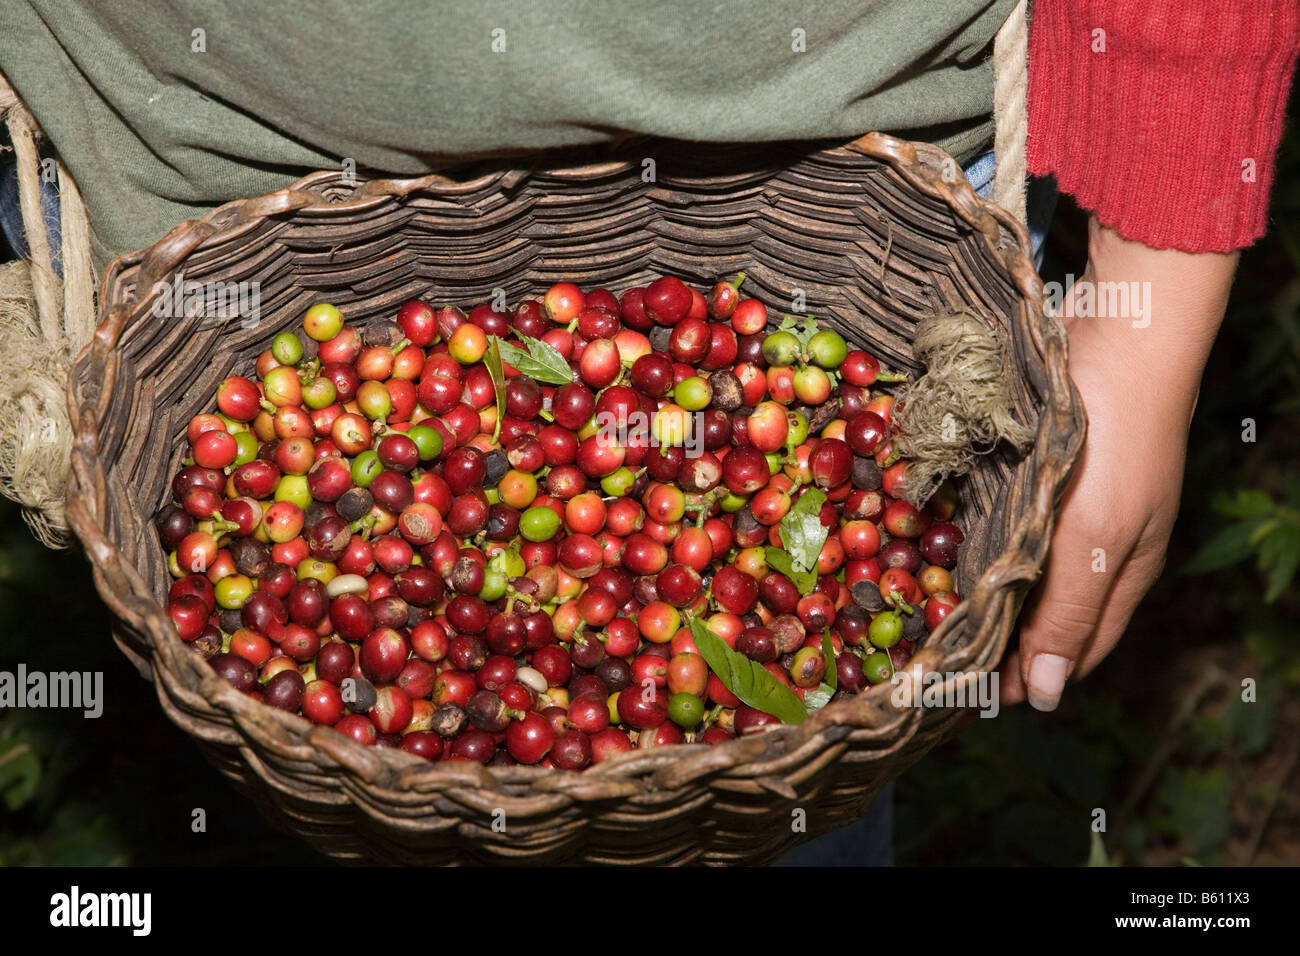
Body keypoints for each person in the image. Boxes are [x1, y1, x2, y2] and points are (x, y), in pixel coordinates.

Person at [1, 0, 1297, 865]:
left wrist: (1148, 312)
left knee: (785, 787)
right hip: (181, 166)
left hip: (849, 163)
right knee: (323, 794)